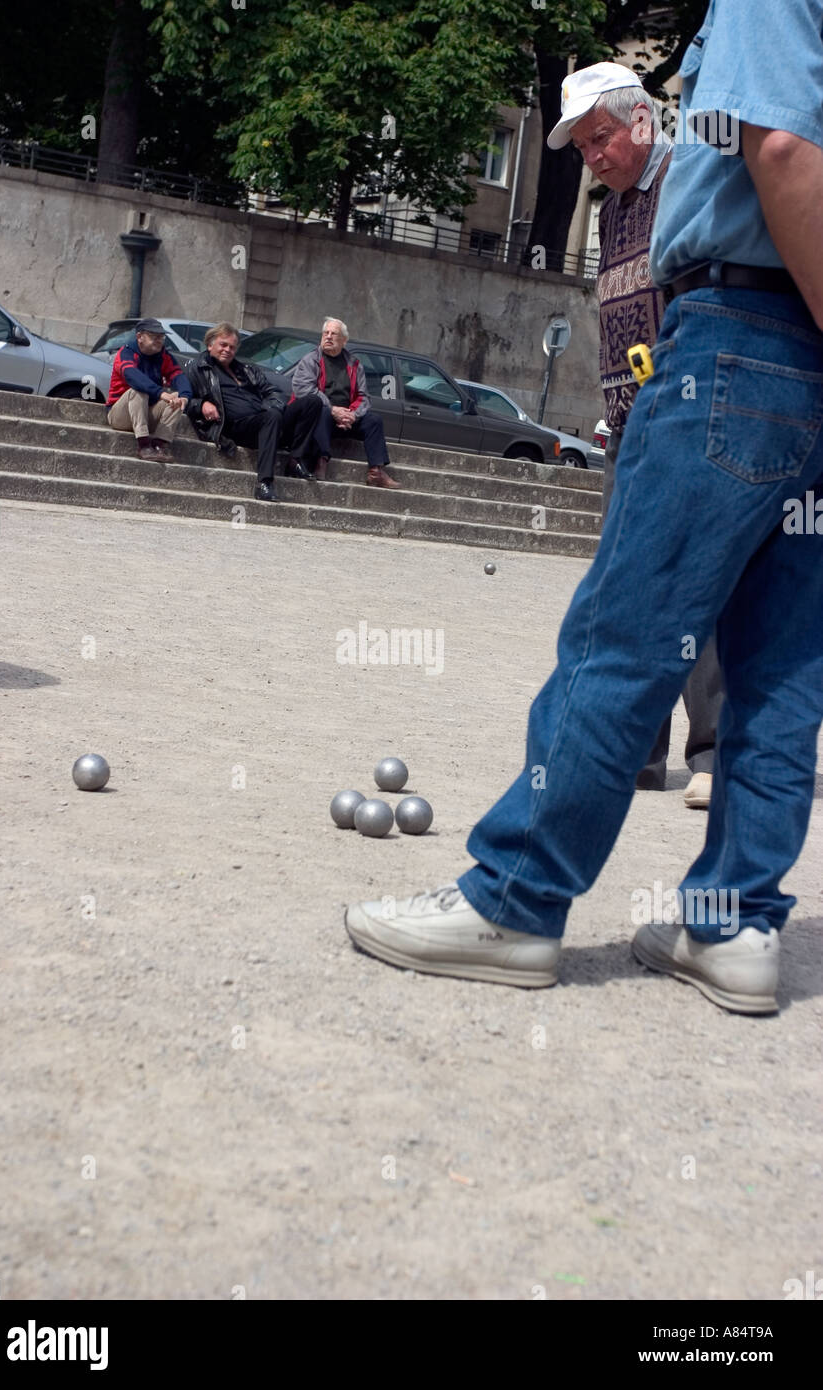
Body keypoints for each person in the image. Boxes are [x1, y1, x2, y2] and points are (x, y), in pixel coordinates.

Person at [345, 0, 823, 1016]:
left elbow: (777, 148)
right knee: (781, 662)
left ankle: (516, 901)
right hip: (804, 358)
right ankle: (734, 923)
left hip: (741, 329)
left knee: (627, 630)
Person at [552, 61, 722, 809]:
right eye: (584, 146)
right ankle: (639, 755)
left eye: (602, 137)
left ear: (643, 121)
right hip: (628, 425)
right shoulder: (614, 205)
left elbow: (704, 302)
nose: (594, 155)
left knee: (696, 587)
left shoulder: (686, 181)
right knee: (626, 590)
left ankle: (715, 753)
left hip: (685, 416)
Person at [185, 323, 322, 502]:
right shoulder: (198, 368)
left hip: (267, 420)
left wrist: (273, 407)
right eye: (223, 345)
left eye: (232, 347)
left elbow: (273, 392)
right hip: (237, 428)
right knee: (270, 417)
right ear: (210, 345)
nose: (227, 350)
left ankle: (295, 460)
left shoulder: (246, 370)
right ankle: (264, 483)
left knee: (313, 401)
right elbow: (184, 399)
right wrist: (202, 404)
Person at [291, 317, 401, 488]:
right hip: (321, 417)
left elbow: (363, 396)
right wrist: (333, 409)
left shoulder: (354, 364)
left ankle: (376, 472)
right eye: (325, 333)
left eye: (333, 334)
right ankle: (321, 461)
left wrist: (351, 415)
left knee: (374, 421)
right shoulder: (310, 360)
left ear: (344, 340)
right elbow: (304, 390)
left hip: (346, 420)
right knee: (322, 410)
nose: (328, 337)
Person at [106, 317, 191, 460]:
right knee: (138, 391)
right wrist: (161, 393)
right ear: (139, 337)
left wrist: (185, 396)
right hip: (120, 415)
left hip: (145, 414)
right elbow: (133, 376)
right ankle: (144, 446)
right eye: (154, 336)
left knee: (177, 397)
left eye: (161, 337)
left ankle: (160, 444)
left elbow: (177, 375)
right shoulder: (126, 353)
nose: (159, 340)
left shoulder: (163, 355)